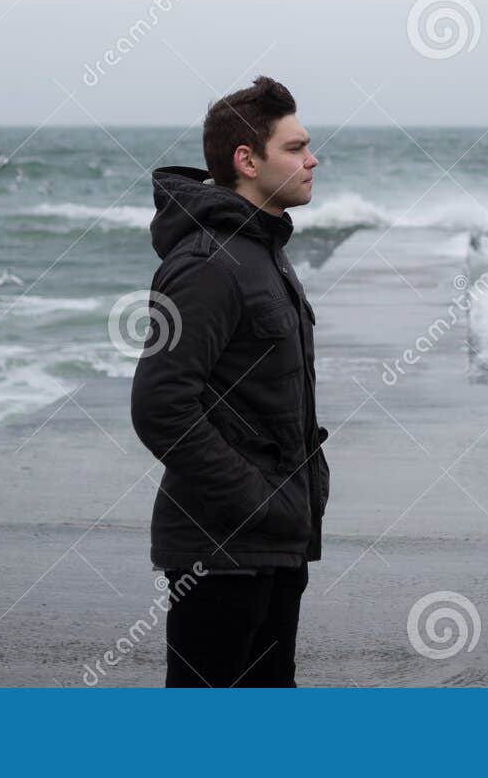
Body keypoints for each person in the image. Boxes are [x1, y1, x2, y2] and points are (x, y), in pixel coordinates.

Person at [130, 75, 328, 687]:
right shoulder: (207, 264)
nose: (312, 158)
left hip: (275, 540)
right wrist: (256, 500)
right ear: (247, 160)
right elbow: (161, 405)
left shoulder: (262, 249)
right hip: (220, 550)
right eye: (294, 147)